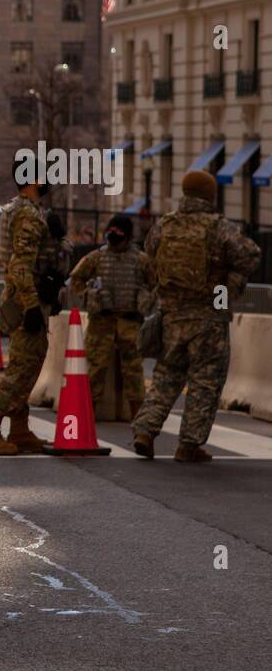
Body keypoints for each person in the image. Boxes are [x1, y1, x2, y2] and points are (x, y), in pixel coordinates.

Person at [132, 170, 260, 462]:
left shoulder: (164, 225)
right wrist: (225, 290)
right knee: (205, 382)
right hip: (209, 315)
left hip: (171, 314)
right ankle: (189, 444)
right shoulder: (219, 228)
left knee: (166, 375)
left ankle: (145, 430)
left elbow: (149, 263)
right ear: (210, 195)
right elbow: (250, 257)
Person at [0, 172, 56, 455]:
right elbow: (21, 264)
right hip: (25, 301)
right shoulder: (29, 215)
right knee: (22, 367)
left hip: (19, 296)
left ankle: (19, 428)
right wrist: (32, 305)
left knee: (28, 363)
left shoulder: (13, 210)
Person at [69, 214, 149, 416]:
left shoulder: (140, 260)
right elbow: (76, 280)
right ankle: (87, 414)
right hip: (102, 321)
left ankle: (138, 416)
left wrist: (145, 300)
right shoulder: (96, 257)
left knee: (134, 372)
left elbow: (156, 284)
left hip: (129, 320)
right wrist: (89, 296)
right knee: (95, 369)